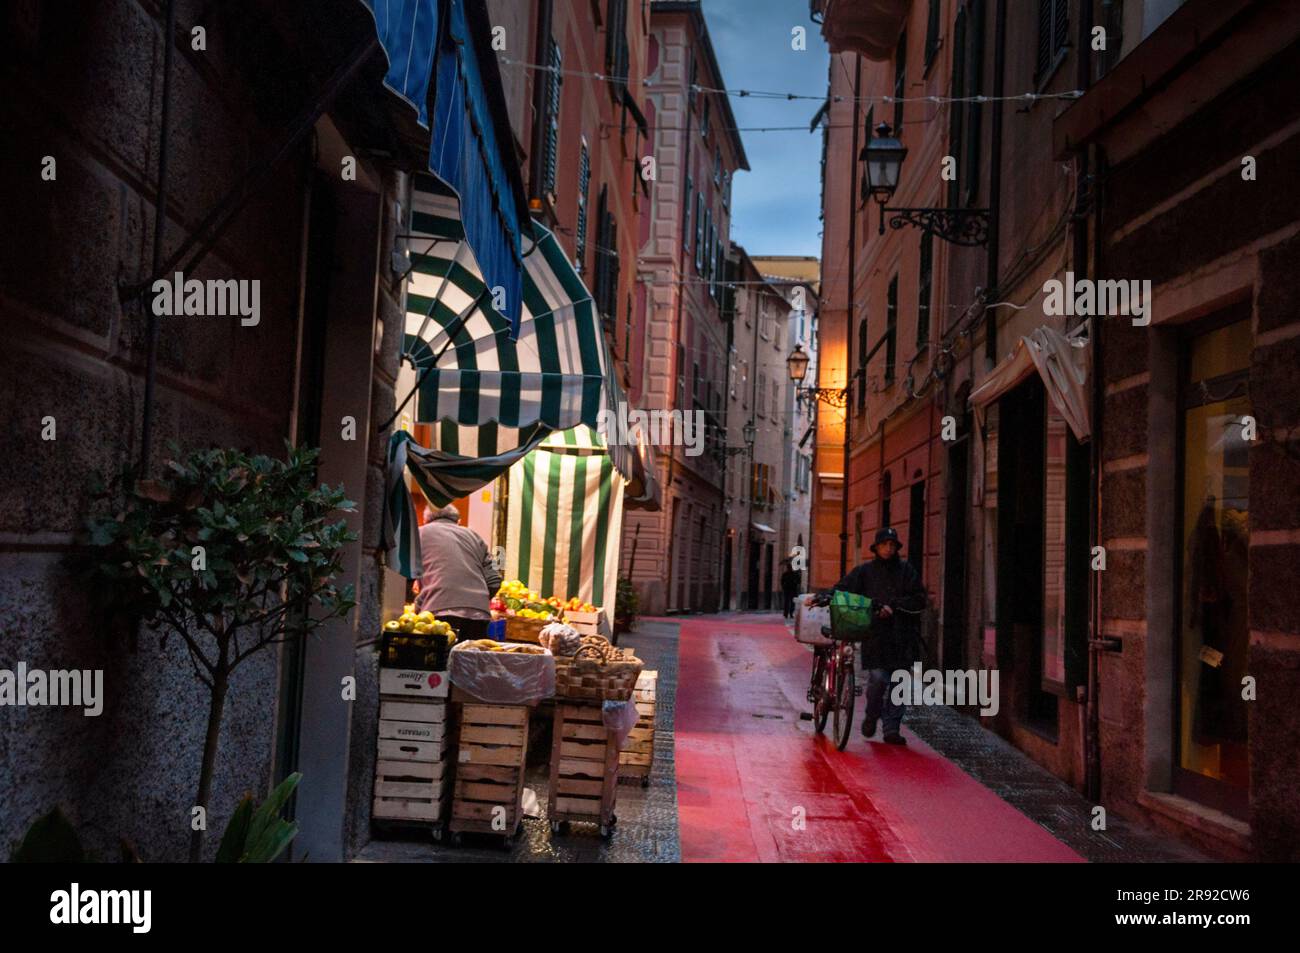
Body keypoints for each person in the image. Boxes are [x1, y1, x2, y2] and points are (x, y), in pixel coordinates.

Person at [826, 527, 926, 745]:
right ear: (877, 547)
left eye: (892, 545)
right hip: (876, 636)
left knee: (899, 683)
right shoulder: (865, 571)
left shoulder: (907, 571)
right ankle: (872, 716)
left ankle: (891, 729)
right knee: (878, 680)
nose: (888, 549)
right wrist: (826, 595)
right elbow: (844, 588)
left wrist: (895, 606)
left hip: (902, 637)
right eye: (884, 545)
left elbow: (919, 598)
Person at [414, 503, 502, 641]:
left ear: (426, 520)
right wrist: (475, 600)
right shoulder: (473, 535)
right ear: (457, 521)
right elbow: (495, 580)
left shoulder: (419, 533)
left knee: (440, 660)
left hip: (438, 614)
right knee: (470, 660)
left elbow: (404, 574)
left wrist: (418, 604)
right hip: (479, 615)